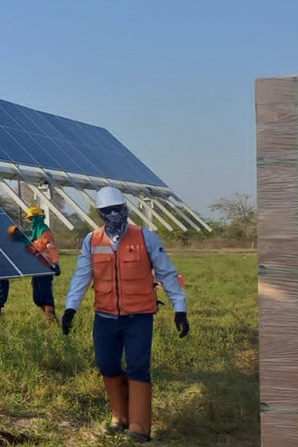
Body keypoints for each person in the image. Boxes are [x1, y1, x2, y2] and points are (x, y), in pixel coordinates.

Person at [62, 186, 189, 443]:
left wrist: (180, 309)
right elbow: (81, 277)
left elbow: (166, 273)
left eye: (118, 210)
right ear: (100, 214)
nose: (114, 216)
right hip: (106, 317)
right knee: (107, 365)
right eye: (108, 212)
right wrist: (70, 307)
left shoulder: (147, 238)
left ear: (126, 210)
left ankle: (139, 425)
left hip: (139, 317)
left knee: (138, 367)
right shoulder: (92, 241)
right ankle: (119, 415)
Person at [22, 206, 62, 323]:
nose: (30, 222)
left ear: (36, 218)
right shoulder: (35, 233)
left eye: (31, 219)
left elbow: (51, 248)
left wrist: (55, 263)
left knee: (45, 297)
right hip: (37, 269)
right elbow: (34, 248)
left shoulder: (44, 231)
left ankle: (52, 322)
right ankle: (50, 319)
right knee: (38, 298)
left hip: (45, 269)